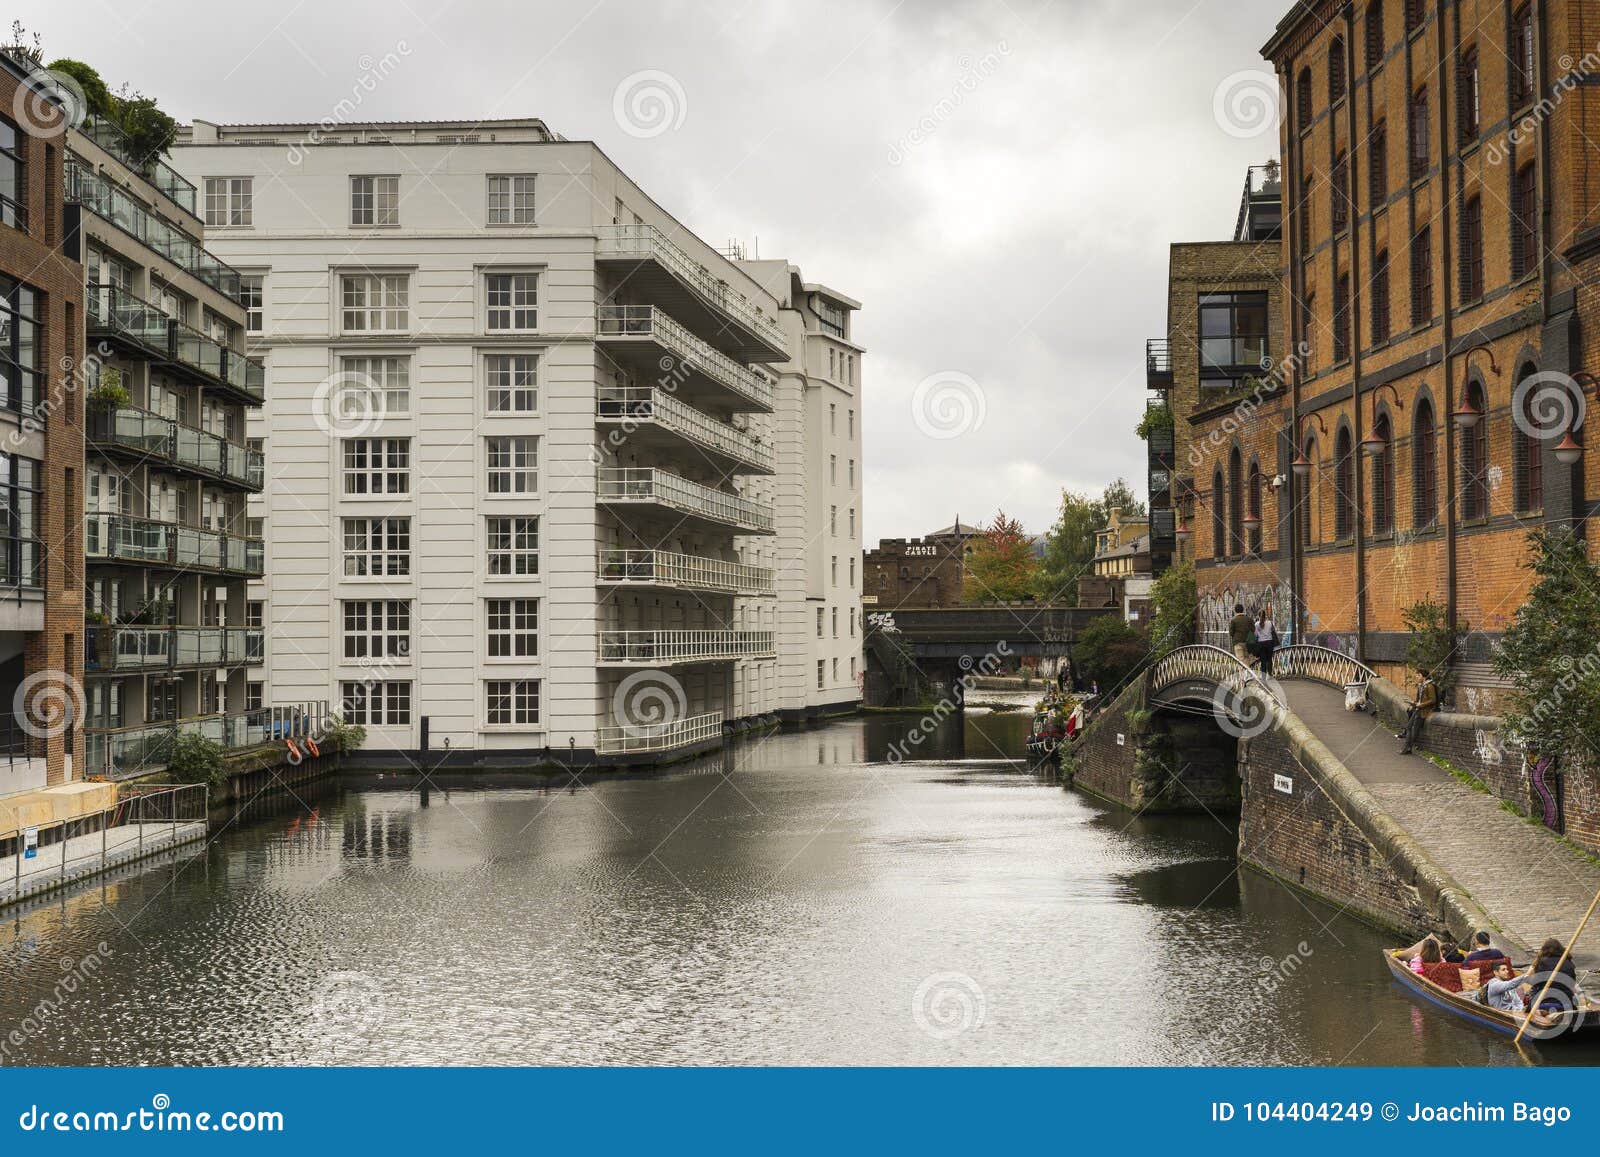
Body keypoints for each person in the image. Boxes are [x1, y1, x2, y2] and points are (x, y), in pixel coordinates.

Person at [1398, 668, 1439, 754]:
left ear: (1424, 677)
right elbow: (1419, 699)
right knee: (1409, 727)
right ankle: (1407, 748)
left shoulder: (1429, 686)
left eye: (1418, 675)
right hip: (1418, 709)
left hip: (1424, 711)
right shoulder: (1421, 686)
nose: (1417, 676)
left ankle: (1407, 748)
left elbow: (1433, 700)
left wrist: (1421, 705)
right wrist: (1414, 703)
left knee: (1414, 729)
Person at [1253, 607, 1279, 673]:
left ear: (1258, 616)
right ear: (1265, 615)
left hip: (1261, 644)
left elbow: (1255, 635)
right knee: (1269, 660)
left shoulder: (1256, 624)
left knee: (1263, 661)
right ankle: (1270, 675)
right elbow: (1273, 632)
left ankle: (1263, 677)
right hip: (1269, 643)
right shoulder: (1270, 623)